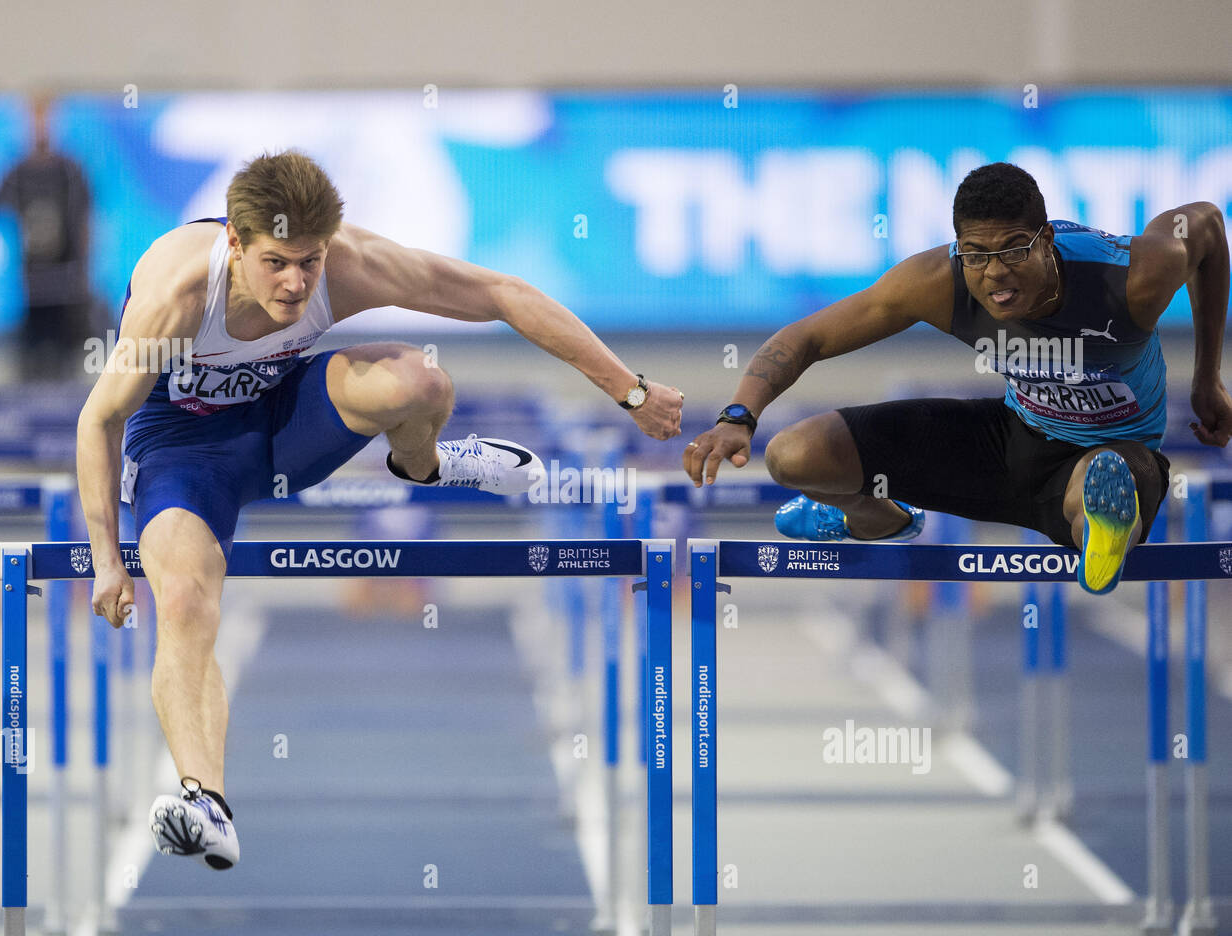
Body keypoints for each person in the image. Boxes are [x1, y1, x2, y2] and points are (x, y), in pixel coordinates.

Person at [77, 151, 683, 869]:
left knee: (421, 381)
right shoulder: (178, 293)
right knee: (182, 602)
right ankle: (205, 800)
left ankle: (428, 465)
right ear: (235, 244)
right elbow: (99, 421)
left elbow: (502, 292)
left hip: (286, 420)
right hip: (183, 447)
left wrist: (631, 391)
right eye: (276, 263)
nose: (297, 284)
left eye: (309, 261)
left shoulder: (351, 264)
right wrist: (108, 560)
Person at [684, 162, 1230, 595]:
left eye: (1015, 250)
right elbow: (807, 337)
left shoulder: (1131, 276)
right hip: (1008, 437)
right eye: (976, 255)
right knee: (793, 455)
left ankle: (1101, 532)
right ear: (959, 249)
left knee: (1102, 486)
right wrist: (738, 415)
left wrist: (1208, 378)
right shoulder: (936, 281)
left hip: (1112, 449)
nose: (995, 273)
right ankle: (874, 518)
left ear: (1047, 239)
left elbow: (1206, 221)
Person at [0, 92, 93, 382]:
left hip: (66, 283)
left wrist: (82, 273)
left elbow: (87, 221)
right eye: (34, 119)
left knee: (64, 362)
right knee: (31, 361)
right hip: (32, 283)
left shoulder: (70, 171)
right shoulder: (18, 172)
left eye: (45, 119)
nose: (40, 126)